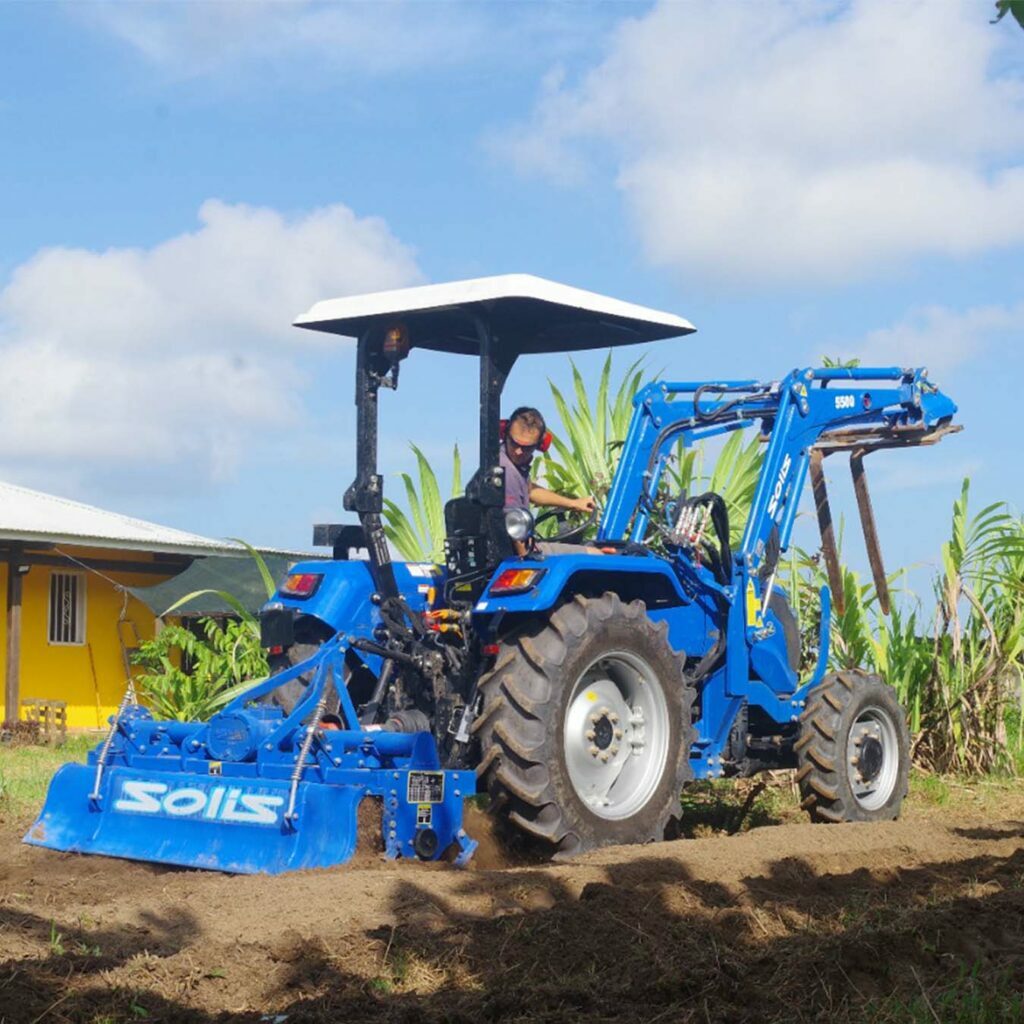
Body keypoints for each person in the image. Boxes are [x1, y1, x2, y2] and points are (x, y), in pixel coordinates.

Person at [500, 406, 597, 553]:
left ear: (540, 445)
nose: (518, 451)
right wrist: (528, 562)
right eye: (515, 444)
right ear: (505, 434)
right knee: (595, 554)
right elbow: (514, 523)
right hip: (518, 552)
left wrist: (573, 503)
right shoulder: (505, 471)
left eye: (526, 447)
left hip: (512, 548)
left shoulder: (506, 464)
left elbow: (530, 490)